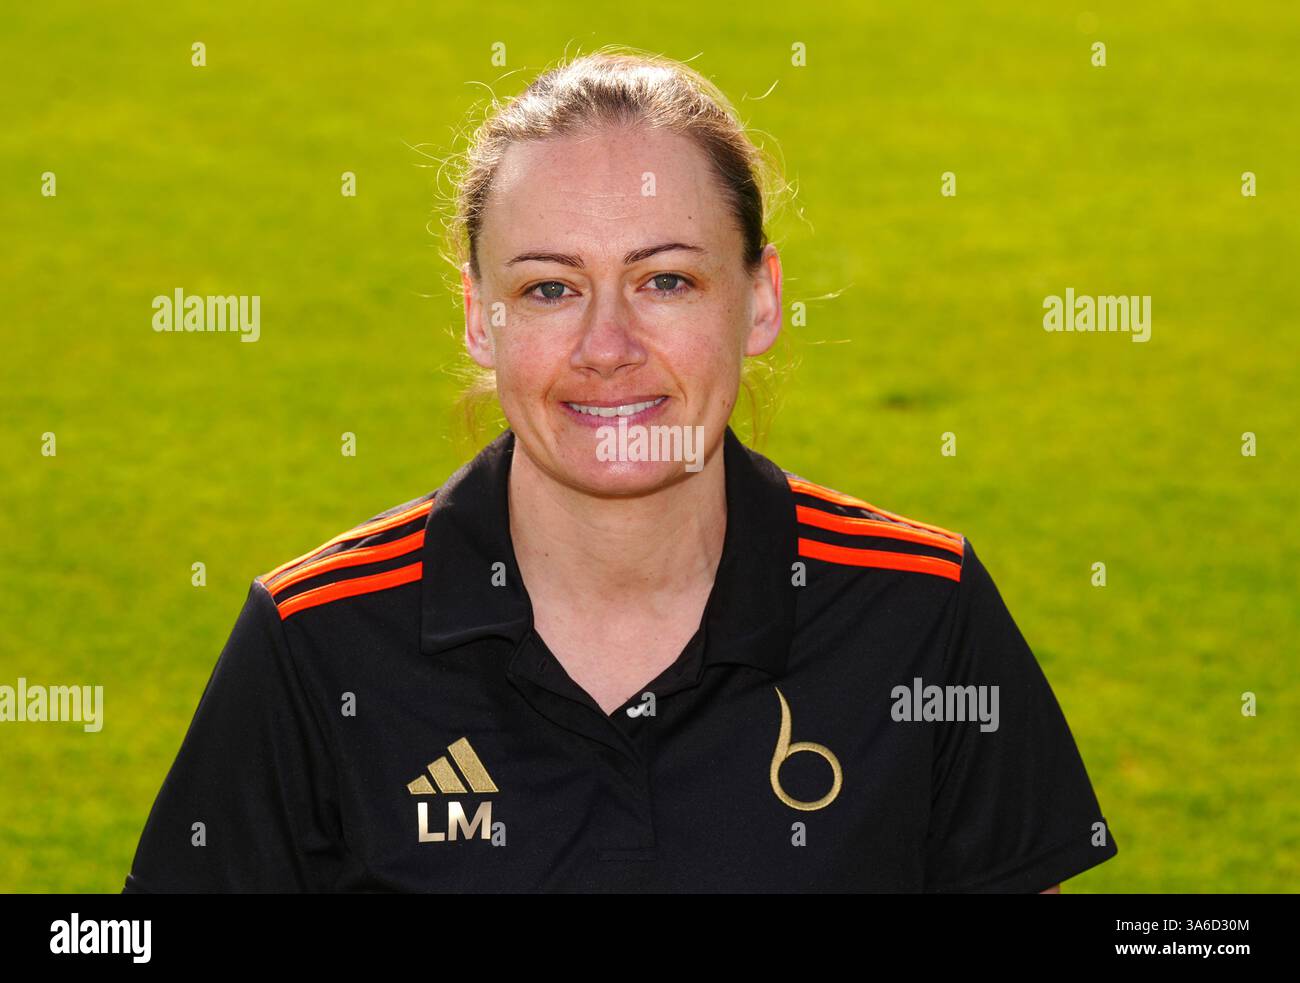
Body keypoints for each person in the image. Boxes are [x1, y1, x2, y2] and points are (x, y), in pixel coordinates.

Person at [122, 47, 1117, 893]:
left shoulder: (919, 612)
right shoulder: (318, 639)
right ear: (479, 316)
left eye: (665, 280)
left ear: (761, 299)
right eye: (549, 287)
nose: (607, 344)